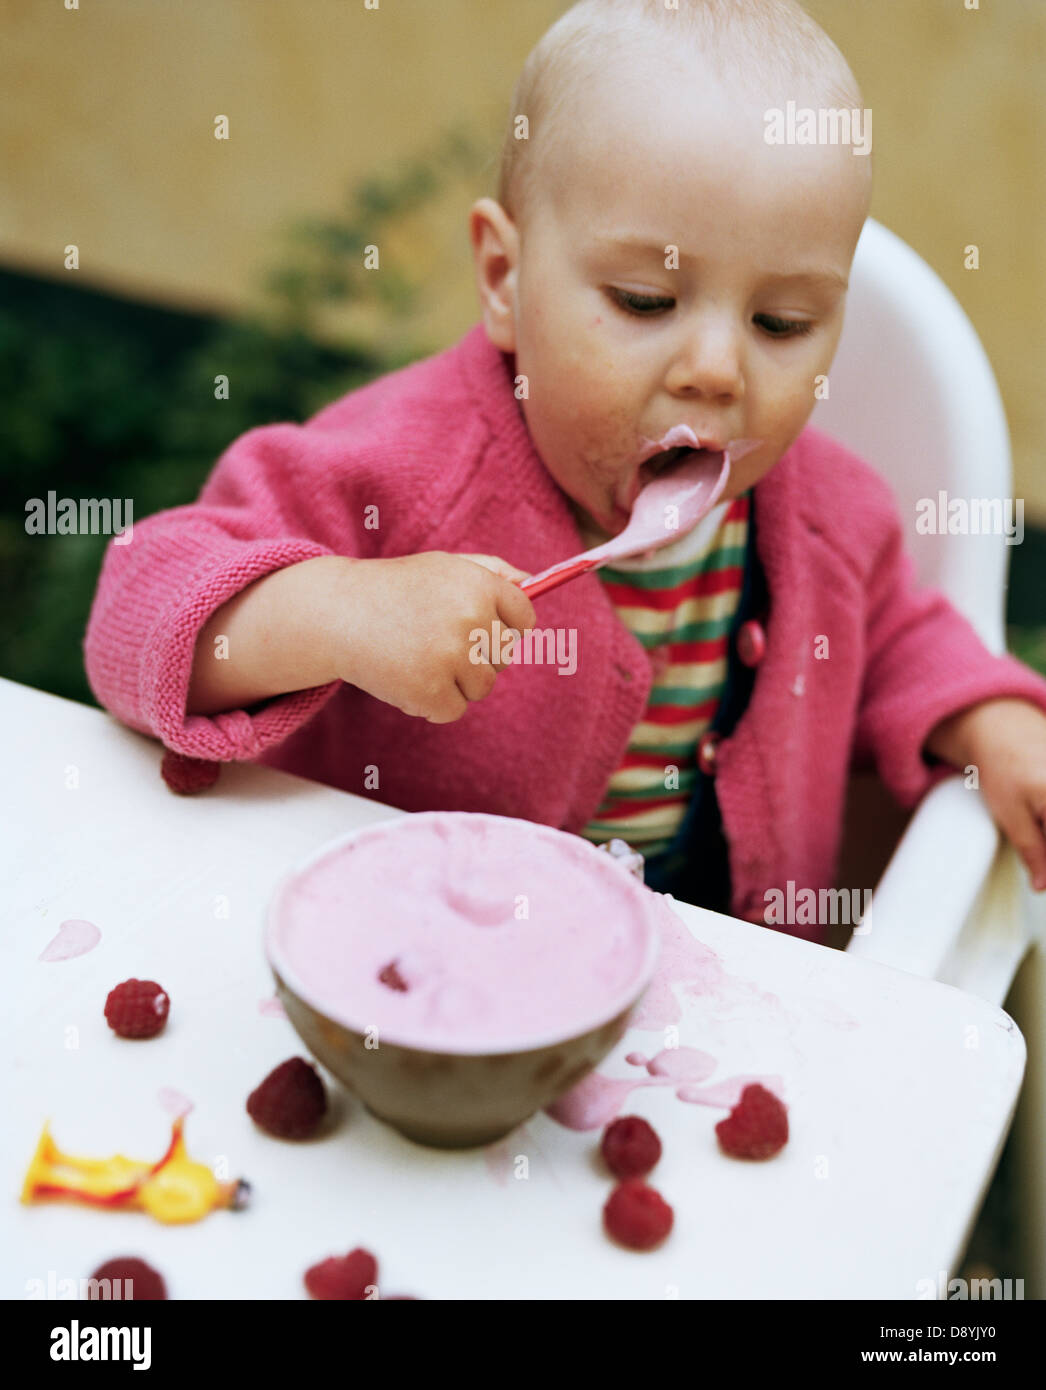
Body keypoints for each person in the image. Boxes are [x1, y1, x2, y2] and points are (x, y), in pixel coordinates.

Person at [84, 0, 1046, 942]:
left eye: (782, 324)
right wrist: (340, 609)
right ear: (505, 280)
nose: (717, 370)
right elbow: (134, 613)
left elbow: (896, 643)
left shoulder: (830, 518)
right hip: (408, 968)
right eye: (644, 300)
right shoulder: (402, 469)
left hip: (719, 983)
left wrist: (991, 720)